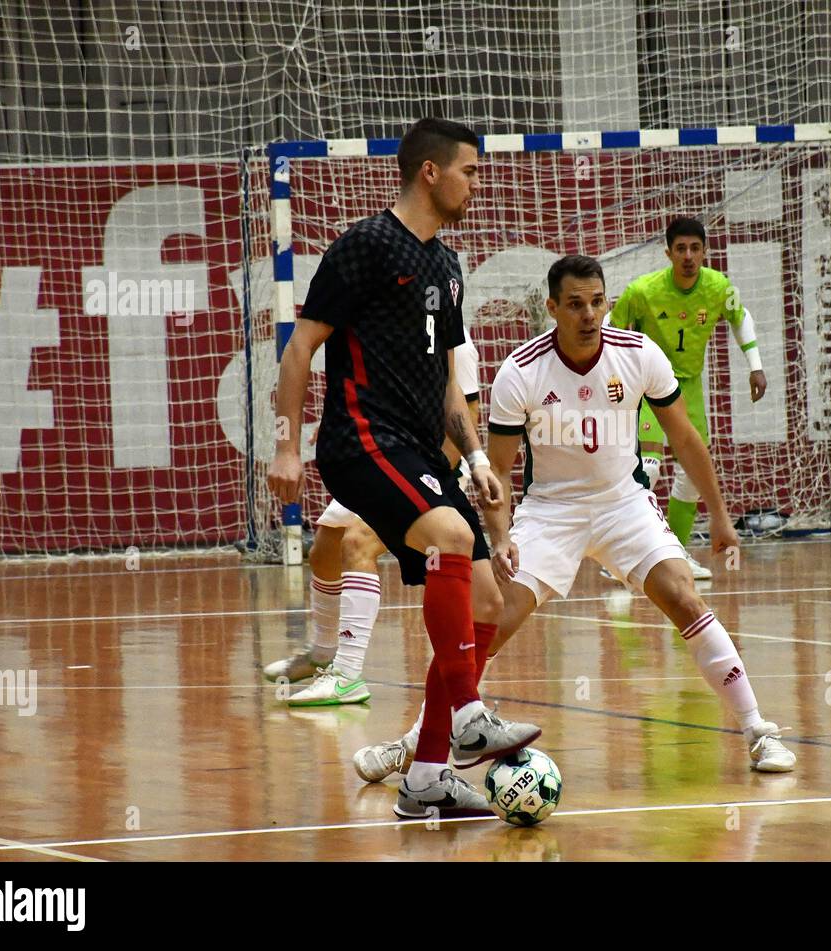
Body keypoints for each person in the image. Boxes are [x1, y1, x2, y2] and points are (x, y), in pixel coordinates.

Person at [353, 255, 794, 782]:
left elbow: (684, 438)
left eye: (598, 302)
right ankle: (415, 742)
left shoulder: (638, 354)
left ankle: (757, 730)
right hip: (550, 513)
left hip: (622, 504)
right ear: (553, 307)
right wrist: (498, 538)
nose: (590, 315)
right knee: (490, 620)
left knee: (684, 595)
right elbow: (498, 470)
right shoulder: (522, 369)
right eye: (577, 305)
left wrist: (720, 516)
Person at [267, 118, 539, 819]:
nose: (477, 182)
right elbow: (300, 351)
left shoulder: (446, 267)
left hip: (422, 447)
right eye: (470, 171)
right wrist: (288, 445)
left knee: (487, 603)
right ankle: (471, 719)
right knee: (450, 537)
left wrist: (476, 456)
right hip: (362, 439)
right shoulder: (364, 246)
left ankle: (424, 780)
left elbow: (451, 383)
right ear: (429, 172)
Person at [262, 340, 483, 707]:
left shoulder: (449, 333)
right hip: (382, 456)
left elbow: (465, 415)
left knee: (358, 543)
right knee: (325, 549)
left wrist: (430, 480)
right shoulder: (391, 318)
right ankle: (323, 652)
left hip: (429, 471)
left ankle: (347, 677)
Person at [607, 218, 767, 579]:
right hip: (647, 385)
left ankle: (675, 555)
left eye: (695, 248)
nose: (688, 256)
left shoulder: (718, 287)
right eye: (680, 249)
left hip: (688, 387)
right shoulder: (642, 291)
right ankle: (628, 555)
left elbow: (741, 318)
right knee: (648, 467)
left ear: (705, 251)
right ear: (668, 253)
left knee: (693, 475)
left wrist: (755, 366)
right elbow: (611, 333)